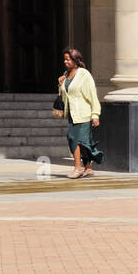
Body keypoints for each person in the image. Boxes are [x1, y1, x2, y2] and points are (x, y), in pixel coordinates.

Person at [57, 48, 102, 178]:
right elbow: (66, 95)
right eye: (64, 59)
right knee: (83, 142)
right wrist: (60, 83)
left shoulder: (84, 74)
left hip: (84, 114)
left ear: (76, 60)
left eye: (68, 59)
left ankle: (78, 168)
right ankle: (88, 168)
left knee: (74, 139)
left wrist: (95, 115)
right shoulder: (66, 74)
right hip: (72, 114)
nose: (65, 61)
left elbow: (92, 95)